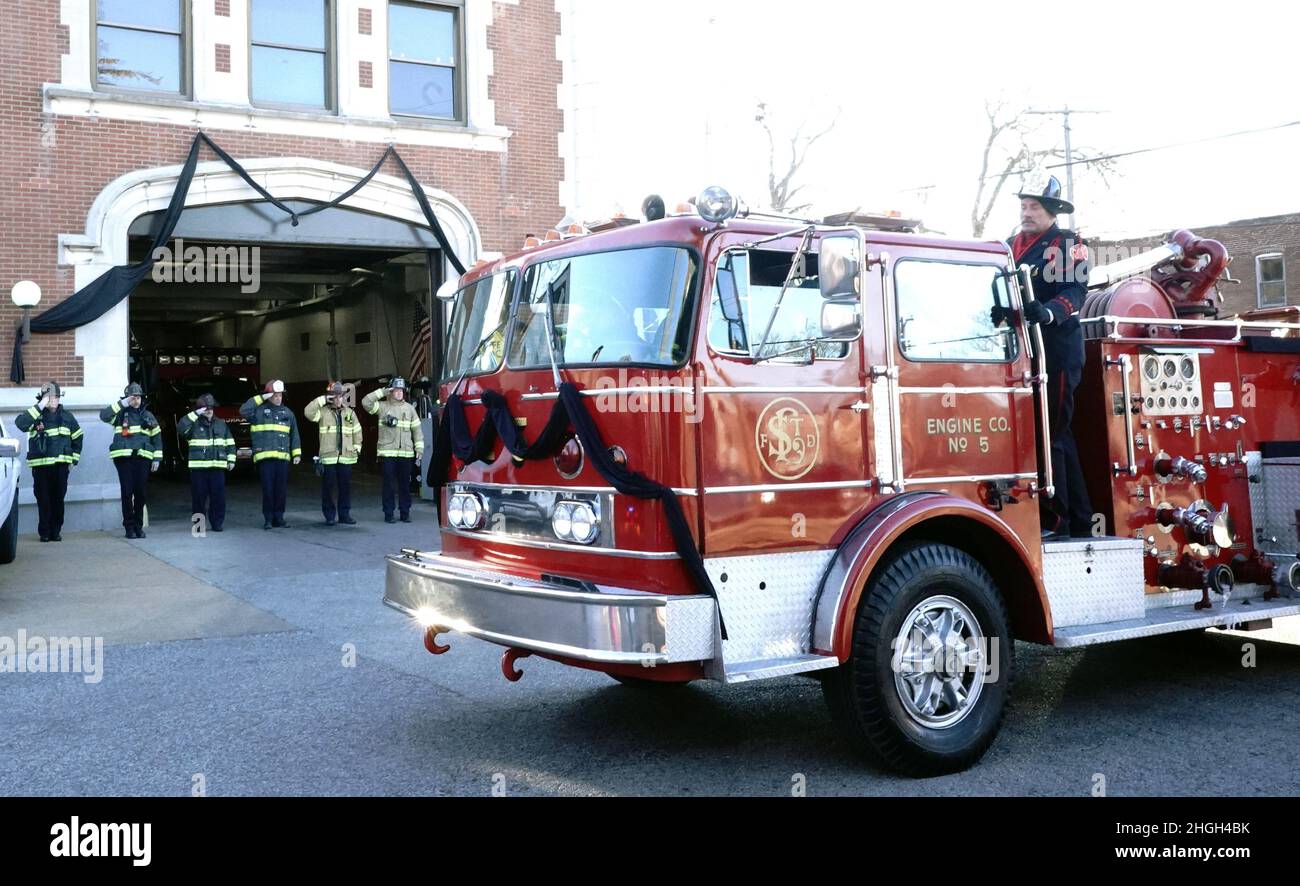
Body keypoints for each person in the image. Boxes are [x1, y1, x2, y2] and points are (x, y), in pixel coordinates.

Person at [993, 176, 1093, 539]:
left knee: (1050, 433)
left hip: (1058, 351)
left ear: (1052, 211)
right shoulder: (1006, 246)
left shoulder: (1070, 244)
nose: (1027, 213)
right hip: (1022, 353)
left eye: (1034, 206)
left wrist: (1049, 312)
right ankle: (1079, 522)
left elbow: (1076, 290)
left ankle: (1056, 522)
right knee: (1055, 435)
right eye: (1023, 206)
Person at [14, 381, 82, 542]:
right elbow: (20, 424)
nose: (53, 400)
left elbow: (78, 438)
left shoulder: (67, 417)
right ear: (43, 399)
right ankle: (44, 532)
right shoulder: (34, 415)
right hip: (41, 467)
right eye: (49, 397)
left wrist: (74, 460)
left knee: (58, 499)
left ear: (59, 398)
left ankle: (56, 531)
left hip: (61, 466)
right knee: (43, 499)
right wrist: (39, 406)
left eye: (55, 397)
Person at [100, 382, 162, 539]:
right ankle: (129, 528)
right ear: (128, 398)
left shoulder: (148, 415)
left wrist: (157, 458)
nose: (136, 400)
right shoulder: (120, 414)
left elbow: (157, 438)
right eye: (133, 397)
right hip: (124, 459)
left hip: (143, 459)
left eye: (138, 397)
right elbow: (104, 415)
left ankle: (138, 527)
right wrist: (123, 403)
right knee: (127, 493)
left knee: (140, 493)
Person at [241, 380, 301, 530]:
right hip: (265, 459)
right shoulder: (258, 412)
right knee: (268, 490)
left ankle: (279, 518)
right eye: (275, 395)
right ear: (268, 395)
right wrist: (261, 397)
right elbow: (244, 410)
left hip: (282, 459)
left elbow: (294, 435)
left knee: (280, 491)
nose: (278, 397)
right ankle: (268, 519)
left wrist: (297, 454)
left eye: (280, 394)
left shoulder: (288, 413)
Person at [362, 378, 424, 523]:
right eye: (396, 390)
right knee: (388, 486)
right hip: (387, 453)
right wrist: (382, 391)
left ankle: (405, 513)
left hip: (406, 454)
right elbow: (366, 402)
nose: (399, 393)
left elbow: (417, 430)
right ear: (391, 391)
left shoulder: (409, 408)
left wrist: (419, 447)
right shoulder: (382, 406)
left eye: (401, 390)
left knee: (405, 486)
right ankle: (388, 514)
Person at [304, 382, 363, 526]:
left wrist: (357, 448)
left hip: (346, 457)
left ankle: (344, 515)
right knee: (328, 488)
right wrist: (322, 400)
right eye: (334, 396)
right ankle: (329, 516)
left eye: (340, 396)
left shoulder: (350, 413)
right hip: (328, 457)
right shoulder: (322, 412)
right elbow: (308, 412)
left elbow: (357, 432)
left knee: (345, 488)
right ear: (330, 397)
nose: (338, 399)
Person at [177, 393, 235, 532]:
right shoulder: (193, 424)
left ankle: (217, 524)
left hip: (217, 467)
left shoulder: (221, 424)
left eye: (211, 407)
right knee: (198, 499)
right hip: (199, 469)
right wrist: (194, 414)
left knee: (218, 498)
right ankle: (199, 525)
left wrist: (231, 459)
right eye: (205, 408)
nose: (209, 410)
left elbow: (230, 443)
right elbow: (180, 428)